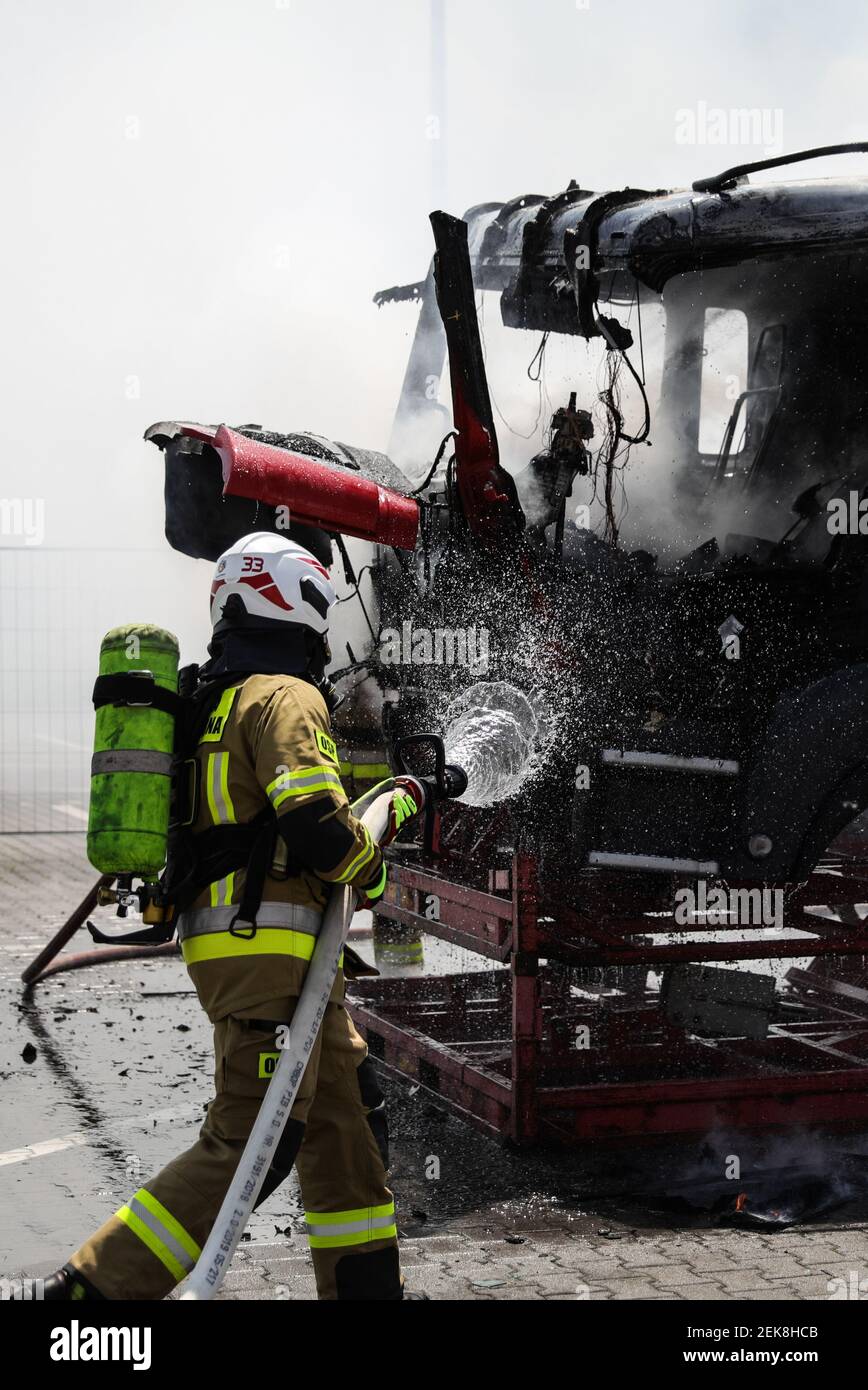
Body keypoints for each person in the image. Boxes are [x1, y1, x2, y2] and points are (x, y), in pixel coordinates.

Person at [44, 531, 418, 1301]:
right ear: (295, 600)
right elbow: (316, 822)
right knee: (254, 1141)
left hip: (260, 952)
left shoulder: (212, 699)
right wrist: (373, 874)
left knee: (344, 1132)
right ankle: (88, 1293)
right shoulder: (284, 695)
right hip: (270, 956)